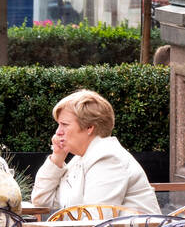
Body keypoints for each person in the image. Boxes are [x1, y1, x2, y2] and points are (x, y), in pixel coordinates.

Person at [31, 90, 160, 215]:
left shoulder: (107, 158)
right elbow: (41, 202)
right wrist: (57, 158)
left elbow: (95, 221)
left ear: (89, 128)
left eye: (64, 124)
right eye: (59, 124)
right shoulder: (81, 158)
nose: (58, 132)